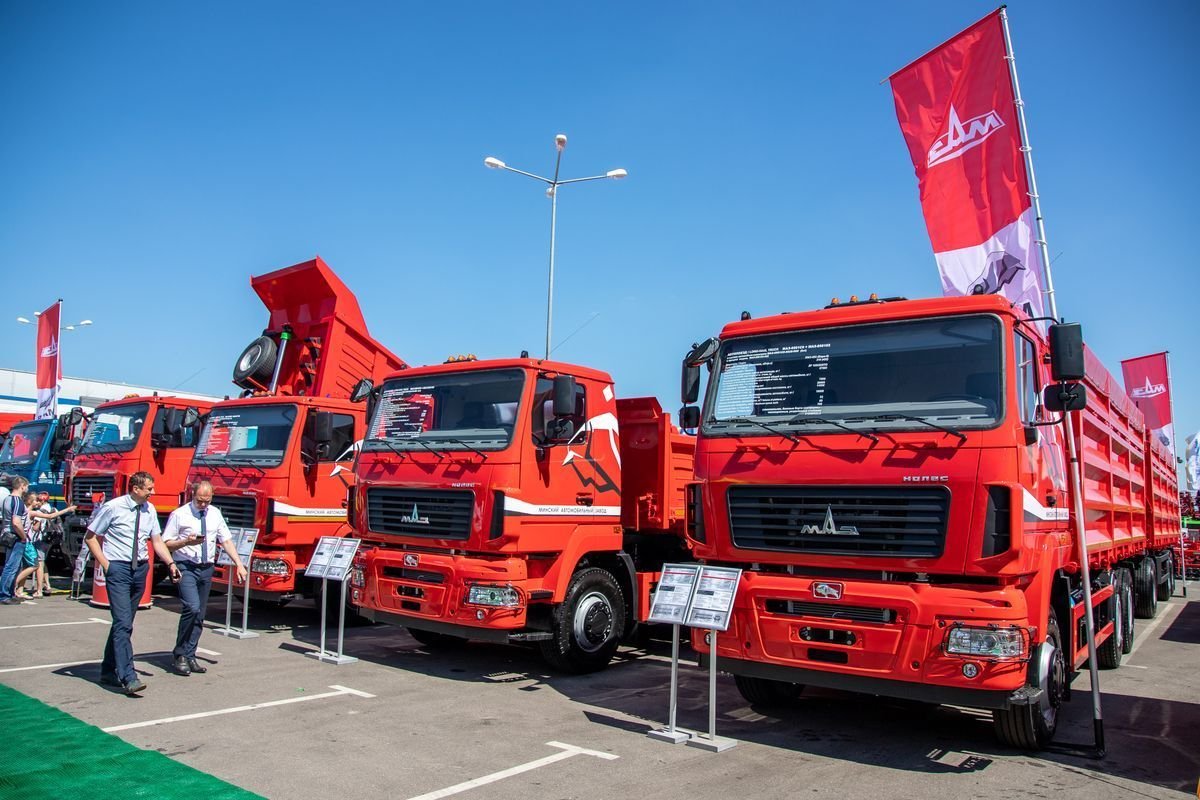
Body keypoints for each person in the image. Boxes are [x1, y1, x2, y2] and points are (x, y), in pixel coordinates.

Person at [84, 471, 180, 695]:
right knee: (123, 623)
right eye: (149, 489)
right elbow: (90, 537)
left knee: (123, 623)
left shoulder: (149, 509)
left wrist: (170, 563)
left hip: (140, 570)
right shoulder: (113, 507)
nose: (153, 492)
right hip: (118, 568)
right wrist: (107, 565)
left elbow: (156, 540)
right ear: (136, 489)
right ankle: (128, 676)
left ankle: (108, 670)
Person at [161, 481, 247, 675]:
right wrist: (186, 541)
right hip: (186, 565)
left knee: (200, 613)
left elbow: (225, 540)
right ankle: (180, 653)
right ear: (193, 495)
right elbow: (166, 544)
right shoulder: (179, 514)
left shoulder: (215, 513)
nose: (203, 505)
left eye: (207, 501)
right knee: (191, 607)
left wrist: (239, 564)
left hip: (206, 567)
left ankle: (191, 654)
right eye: (200, 501)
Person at [14, 492, 75, 597]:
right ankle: (12, 584)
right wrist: (67, 510)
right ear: (30, 502)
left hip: (23, 540)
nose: (38, 502)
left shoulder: (22, 511)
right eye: (36, 500)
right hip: (30, 541)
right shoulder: (32, 513)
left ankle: (19, 589)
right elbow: (49, 516)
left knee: (25, 565)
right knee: (35, 565)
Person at [0, 476, 30, 605]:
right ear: (22, 486)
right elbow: (16, 522)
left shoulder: (7, 499)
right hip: (15, 536)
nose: (27, 489)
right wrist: (23, 537)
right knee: (11, 567)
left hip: (7, 534)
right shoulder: (17, 501)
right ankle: (5, 595)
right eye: (27, 486)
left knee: (11, 565)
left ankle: (9, 593)